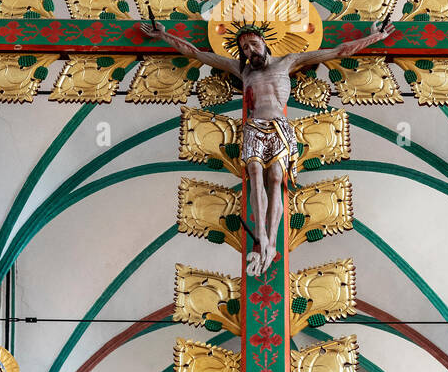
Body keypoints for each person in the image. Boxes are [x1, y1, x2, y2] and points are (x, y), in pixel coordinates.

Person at [141, 16, 394, 274]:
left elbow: (337, 51)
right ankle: (260, 237)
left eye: (253, 44)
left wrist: (375, 37)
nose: (250, 51)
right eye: (245, 49)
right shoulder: (242, 70)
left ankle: (271, 242)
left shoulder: (289, 61)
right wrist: (163, 35)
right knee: (254, 173)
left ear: (264, 41)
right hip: (254, 126)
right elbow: (197, 54)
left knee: (275, 178)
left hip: (280, 127)